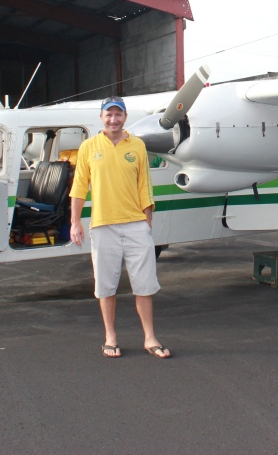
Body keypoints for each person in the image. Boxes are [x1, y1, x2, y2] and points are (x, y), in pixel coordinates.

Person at [69, 96, 171, 360]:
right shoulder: (89, 147)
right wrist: (75, 222)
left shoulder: (136, 146)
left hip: (135, 224)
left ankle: (150, 338)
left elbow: (144, 185)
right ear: (101, 117)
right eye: (108, 115)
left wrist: (146, 221)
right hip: (103, 226)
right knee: (105, 285)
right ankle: (110, 337)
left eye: (118, 115)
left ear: (125, 117)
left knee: (145, 284)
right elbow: (79, 187)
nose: (113, 119)